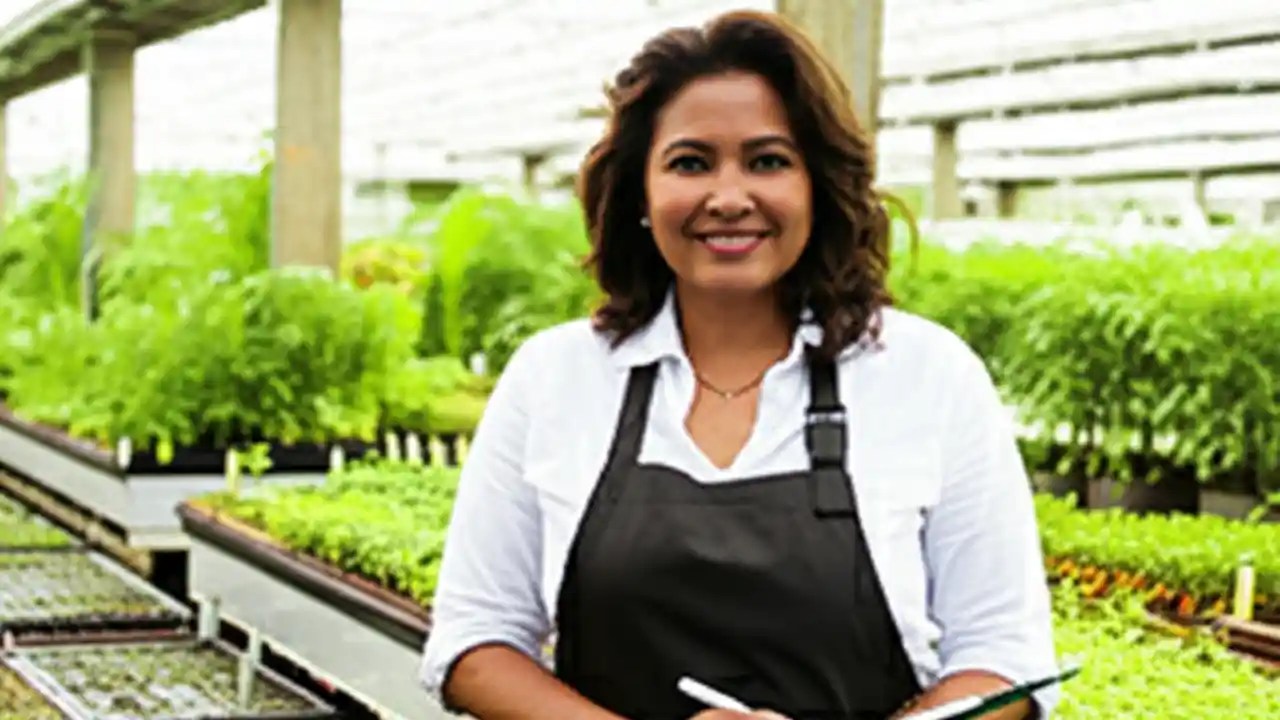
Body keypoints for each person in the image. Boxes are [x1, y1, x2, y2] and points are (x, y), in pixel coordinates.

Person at [420, 9, 1059, 720]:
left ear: (817, 184)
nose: (729, 198)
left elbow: (1005, 659)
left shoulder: (927, 377)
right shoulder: (555, 378)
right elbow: (474, 642)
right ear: (639, 191)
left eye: (768, 161)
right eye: (691, 162)